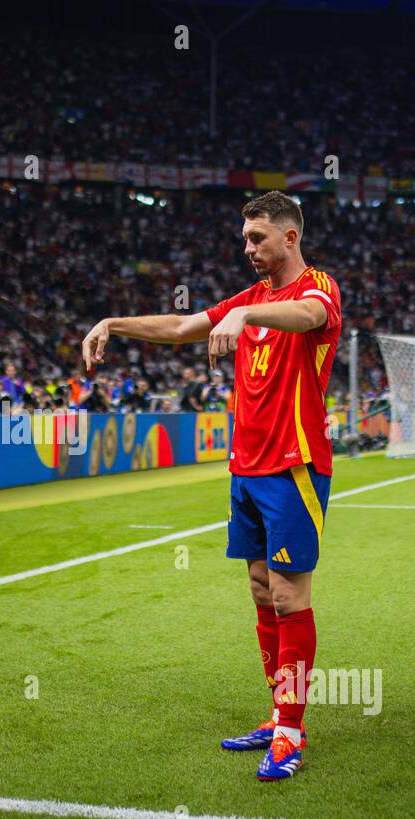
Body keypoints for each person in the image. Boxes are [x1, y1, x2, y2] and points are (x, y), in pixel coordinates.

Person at [80, 190, 341, 782]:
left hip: (294, 466)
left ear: (290, 238)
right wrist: (112, 323)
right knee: (258, 589)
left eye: (258, 238)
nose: (247, 247)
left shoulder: (316, 288)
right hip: (245, 469)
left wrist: (246, 316)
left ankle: (291, 732)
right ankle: (278, 716)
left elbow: (311, 318)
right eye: (245, 237)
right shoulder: (248, 297)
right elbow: (178, 326)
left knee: (289, 596)